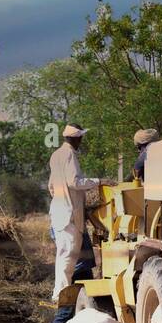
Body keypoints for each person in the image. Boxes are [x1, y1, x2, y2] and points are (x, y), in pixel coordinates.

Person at [48, 123, 100, 303]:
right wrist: (99, 181)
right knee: (68, 259)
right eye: (80, 137)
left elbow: (51, 187)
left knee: (63, 257)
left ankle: (59, 294)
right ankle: (61, 297)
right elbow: (74, 182)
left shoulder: (56, 155)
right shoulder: (69, 154)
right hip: (69, 215)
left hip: (59, 212)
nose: (81, 141)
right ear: (75, 138)